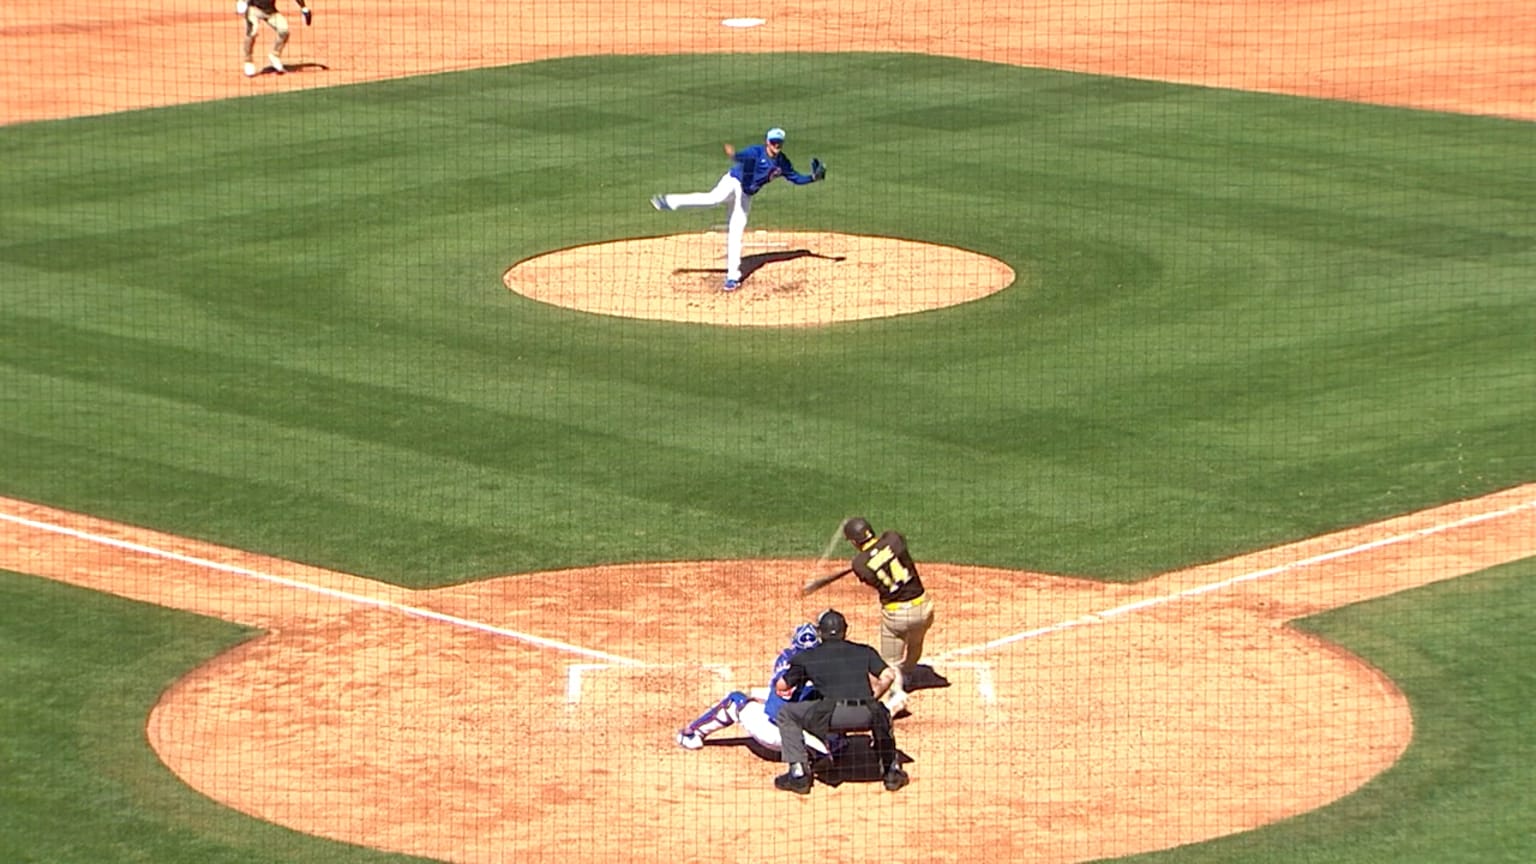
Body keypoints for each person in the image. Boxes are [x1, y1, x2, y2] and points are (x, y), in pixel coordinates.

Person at [649, 127, 825, 291]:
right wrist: (734, 155)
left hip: (746, 195)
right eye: (773, 142)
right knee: (712, 198)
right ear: (767, 141)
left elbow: (796, 178)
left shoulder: (782, 162)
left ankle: (732, 277)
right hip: (733, 182)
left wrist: (812, 178)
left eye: (779, 142)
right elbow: (741, 156)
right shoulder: (756, 152)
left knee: (736, 231)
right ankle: (668, 201)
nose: (776, 145)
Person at [772, 609, 908, 794]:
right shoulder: (864, 650)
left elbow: (782, 686)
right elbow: (888, 675)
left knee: (787, 713)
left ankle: (798, 775)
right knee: (881, 711)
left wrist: (799, 673)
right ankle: (891, 771)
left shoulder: (807, 656)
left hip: (830, 716)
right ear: (846, 631)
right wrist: (874, 695)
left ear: (820, 633)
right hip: (867, 715)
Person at [675, 623, 836, 757]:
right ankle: (832, 742)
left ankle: (691, 734)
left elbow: (780, 699)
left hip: (780, 738)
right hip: (819, 731)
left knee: (736, 699)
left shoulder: (787, 660)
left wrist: (754, 700)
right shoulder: (832, 663)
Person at [842, 516, 934, 716]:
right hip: (924, 609)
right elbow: (889, 544)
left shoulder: (859, 565)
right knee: (916, 642)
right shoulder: (893, 539)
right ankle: (908, 673)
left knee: (890, 661)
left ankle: (896, 694)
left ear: (853, 541)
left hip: (896, 616)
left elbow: (869, 570)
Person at [236, 0, 311, 77]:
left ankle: (275, 55)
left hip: (271, 12)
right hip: (254, 9)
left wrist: (304, 8)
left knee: (284, 30)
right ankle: (248, 61)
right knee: (252, 32)